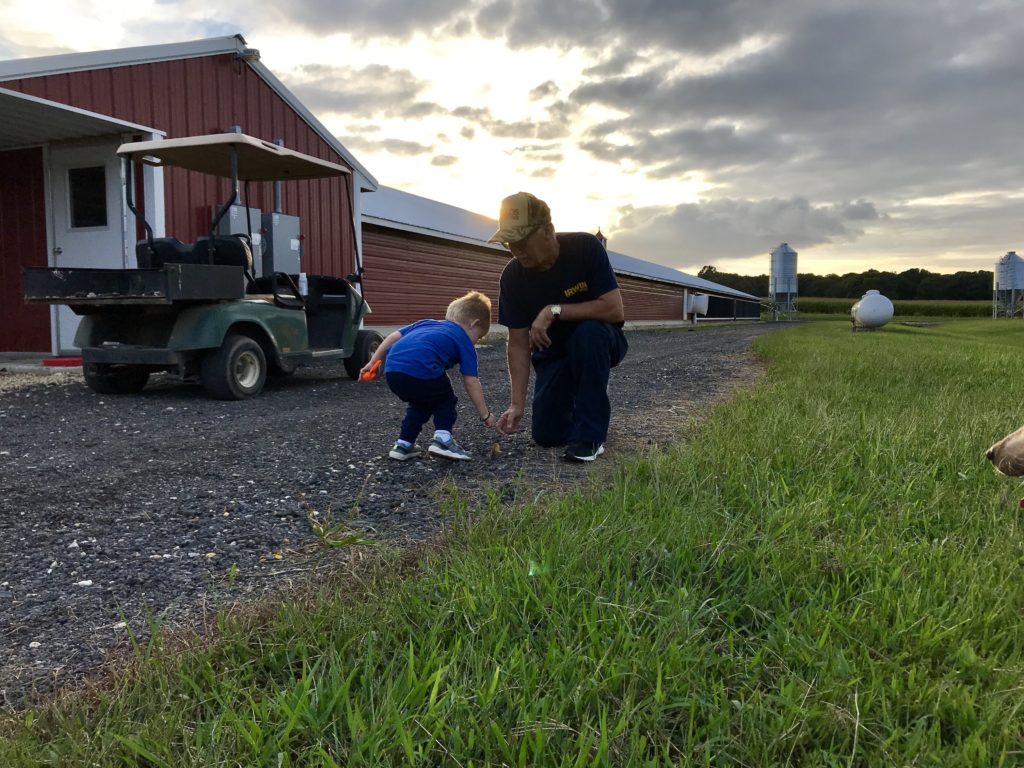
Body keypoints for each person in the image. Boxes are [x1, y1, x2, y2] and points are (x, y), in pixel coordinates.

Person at [488, 192, 628, 462]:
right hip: (553, 354)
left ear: (548, 231)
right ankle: (580, 402)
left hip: (600, 341)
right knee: (546, 435)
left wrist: (555, 310)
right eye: (508, 242)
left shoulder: (585, 248)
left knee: (588, 333)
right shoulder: (513, 277)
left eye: (521, 240)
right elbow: (517, 343)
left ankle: (591, 436)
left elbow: (614, 308)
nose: (515, 250)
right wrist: (517, 404)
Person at [361, 290, 498, 461]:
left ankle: (403, 445)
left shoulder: (426, 323)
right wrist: (485, 414)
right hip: (421, 369)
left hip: (393, 371)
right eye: (479, 336)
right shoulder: (463, 341)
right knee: (445, 400)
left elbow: (391, 338)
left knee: (420, 404)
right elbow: (471, 381)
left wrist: (372, 363)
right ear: (474, 323)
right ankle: (443, 440)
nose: (475, 341)